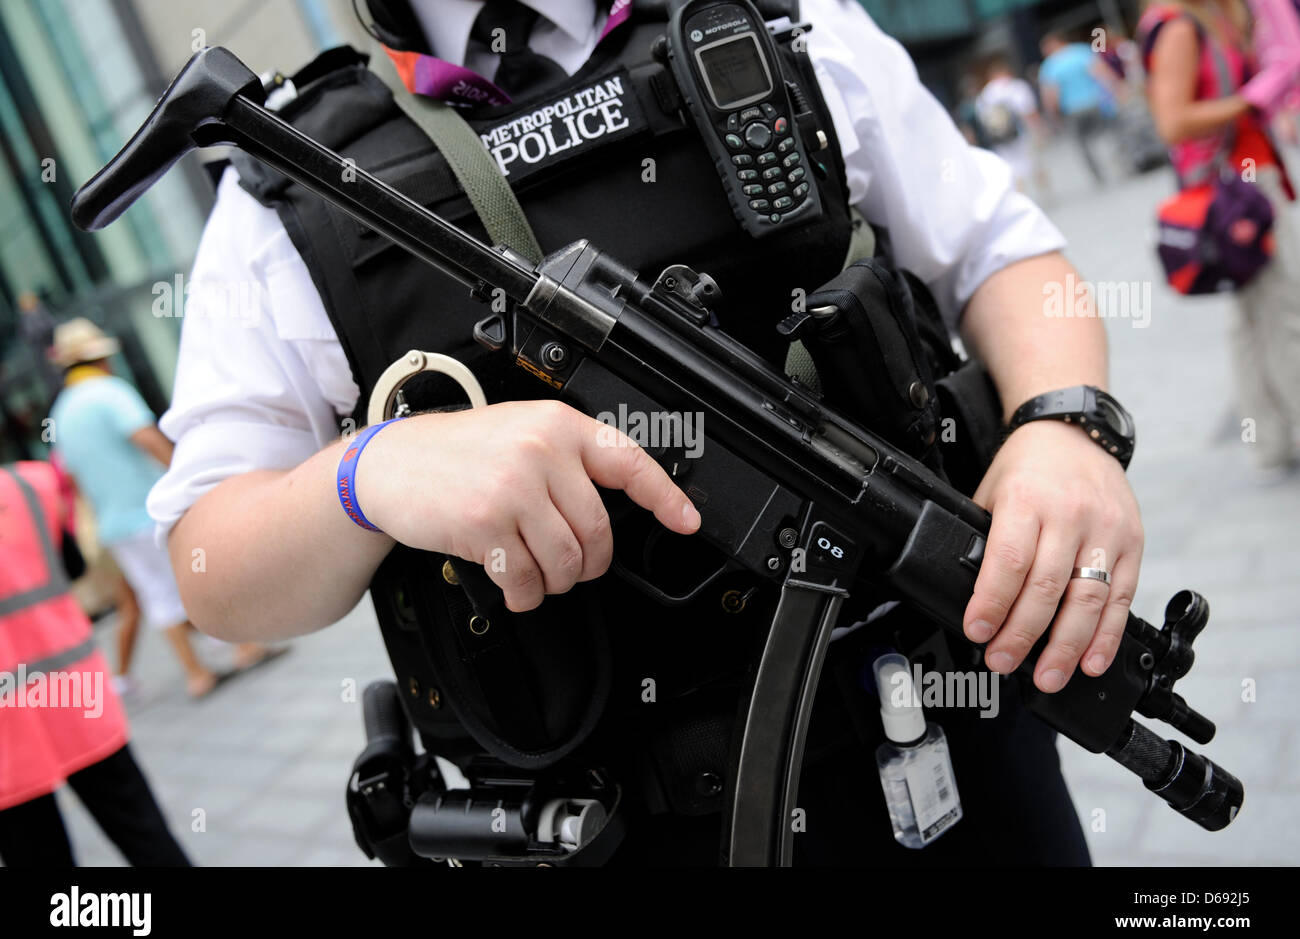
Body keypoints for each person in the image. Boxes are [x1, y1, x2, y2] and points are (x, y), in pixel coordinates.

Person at [145, 0, 1150, 865]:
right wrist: (372, 470)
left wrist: (1067, 424)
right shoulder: (287, 191)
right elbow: (210, 560)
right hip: (614, 828)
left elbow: (998, 249)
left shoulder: (785, 26)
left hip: (958, 738)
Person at [47, 318, 271, 698]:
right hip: (151, 510)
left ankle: (196, 674)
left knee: (157, 595)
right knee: (201, 576)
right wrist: (186, 473)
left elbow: (72, 479)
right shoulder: (109, 392)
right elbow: (146, 436)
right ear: (99, 358)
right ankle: (245, 647)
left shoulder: (60, 413)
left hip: (113, 524)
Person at [0, 460, 190, 866]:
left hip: (8, 731)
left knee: (36, 853)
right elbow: (73, 567)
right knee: (141, 828)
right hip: (72, 690)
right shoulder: (32, 483)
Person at [1142, 0, 1300, 479]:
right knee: (1285, 310)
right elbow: (1172, 121)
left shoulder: (1208, 17)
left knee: (1253, 317)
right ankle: (1278, 433)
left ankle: (1269, 442)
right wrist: (1254, 99)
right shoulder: (1179, 26)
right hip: (1240, 189)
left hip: (1243, 181)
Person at [1039, 30, 1114, 183]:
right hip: (1094, 102)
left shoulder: (1050, 65)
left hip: (1072, 110)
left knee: (1082, 145)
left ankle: (1098, 174)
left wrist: (1053, 116)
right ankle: (1114, 163)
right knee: (1105, 134)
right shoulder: (1081, 51)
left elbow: (1051, 94)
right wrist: (1116, 89)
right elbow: (1101, 73)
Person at [975, 55, 1043, 192]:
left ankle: (1022, 195)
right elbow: (1028, 110)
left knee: (1011, 167)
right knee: (1034, 163)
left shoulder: (986, 93)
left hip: (999, 136)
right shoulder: (1015, 86)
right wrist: (1039, 130)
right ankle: (1044, 193)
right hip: (1021, 132)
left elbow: (983, 117)